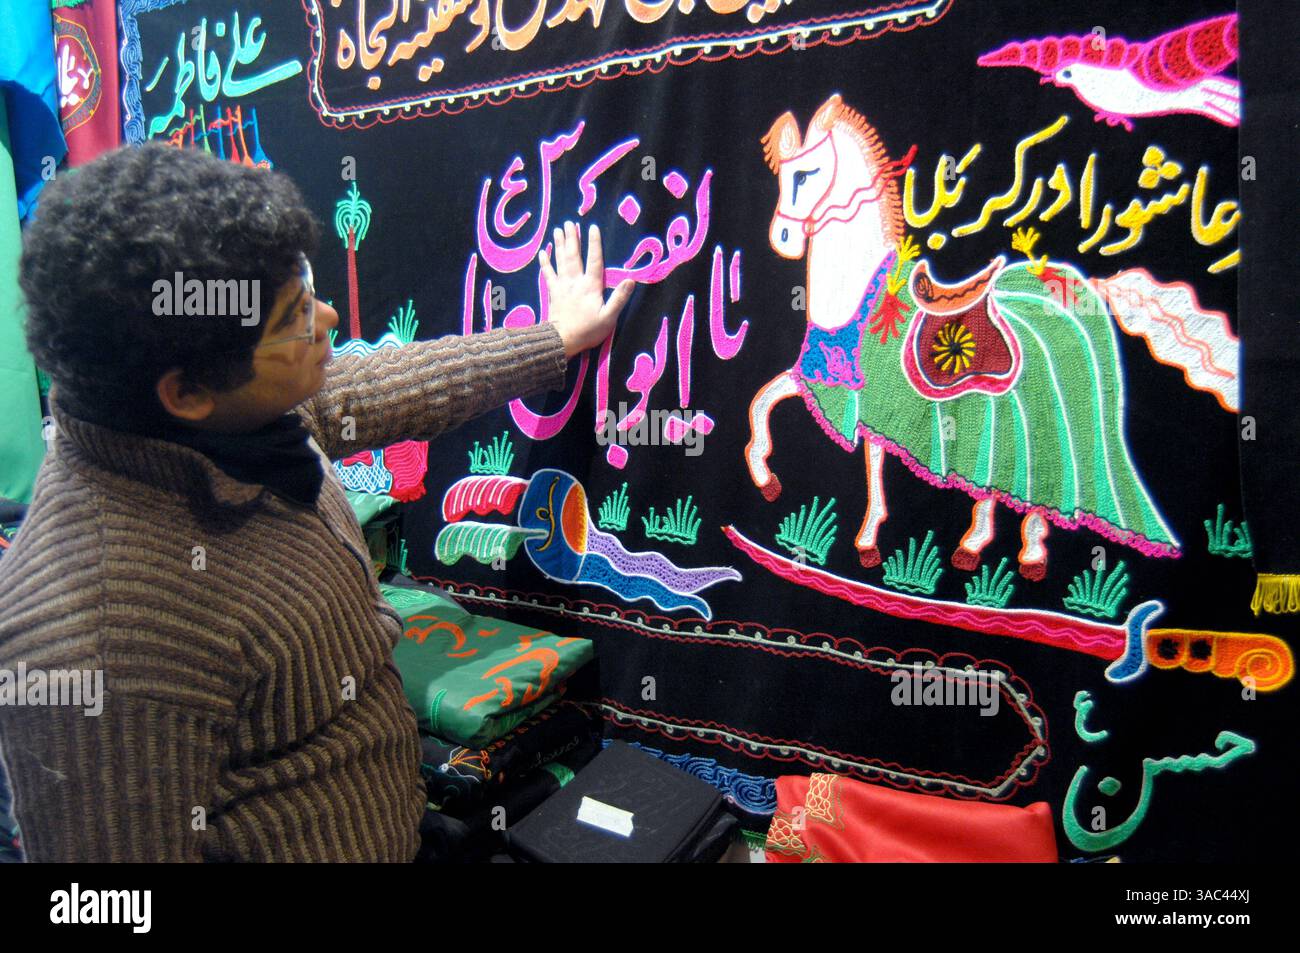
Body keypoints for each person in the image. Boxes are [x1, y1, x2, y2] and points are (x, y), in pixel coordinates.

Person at [0, 142, 634, 861]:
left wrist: (554, 339)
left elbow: (387, 388)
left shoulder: (229, 418)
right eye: (295, 319)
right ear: (186, 391)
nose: (329, 317)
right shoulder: (99, 634)